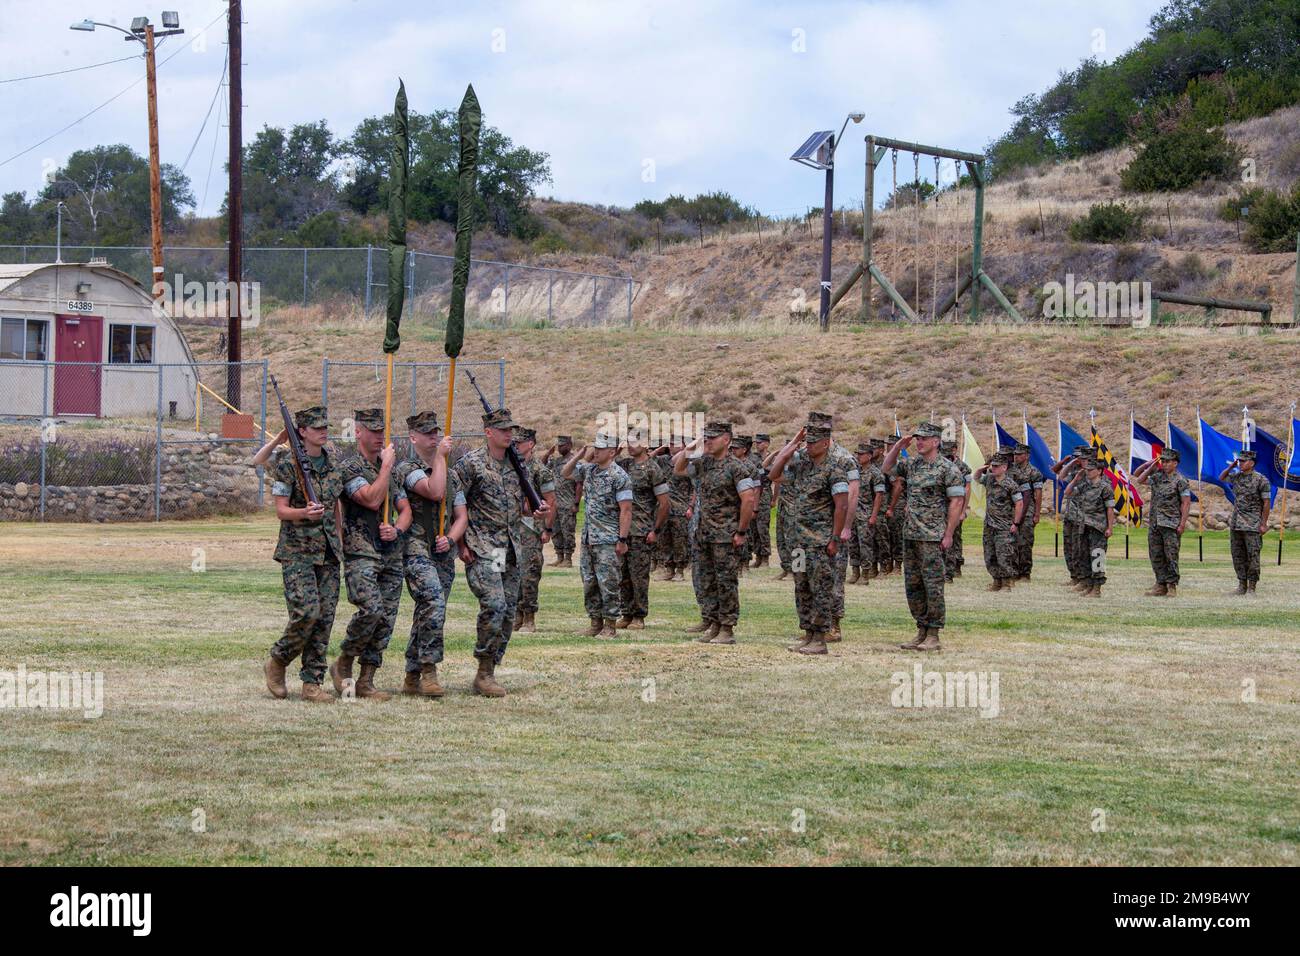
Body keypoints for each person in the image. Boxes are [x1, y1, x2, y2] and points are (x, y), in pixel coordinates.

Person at [446, 407, 550, 697]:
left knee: (507, 613)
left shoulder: (518, 466)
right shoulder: (471, 465)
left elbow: (523, 506)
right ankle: (484, 669)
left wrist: (537, 508)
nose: (509, 434)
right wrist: (460, 543)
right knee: (495, 605)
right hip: (483, 547)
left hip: (511, 549)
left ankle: (489, 669)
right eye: (503, 429)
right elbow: (453, 504)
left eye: (511, 429)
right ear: (488, 432)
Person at [257, 406, 344, 703]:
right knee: (307, 612)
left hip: (329, 551)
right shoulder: (288, 465)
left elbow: (336, 508)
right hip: (298, 551)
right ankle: (278, 660)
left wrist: (340, 541)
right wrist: (304, 513)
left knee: (325, 619)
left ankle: (312, 683)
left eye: (325, 426)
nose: (323, 431)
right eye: (316, 427)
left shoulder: (333, 465)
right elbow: (281, 510)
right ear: (302, 432)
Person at [333, 408, 409, 701]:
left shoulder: (387, 466)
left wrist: (398, 530)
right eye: (373, 431)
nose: (379, 438)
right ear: (359, 432)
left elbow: (405, 510)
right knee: (371, 609)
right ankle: (344, 659)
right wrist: (386, 468)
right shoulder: (351, 468)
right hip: (361, 551)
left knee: (386, 619)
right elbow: (370, 498)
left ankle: (366, 680)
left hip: (390, 553)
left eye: (382, 432)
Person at [879, 422, 965, 652]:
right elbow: (886, 469)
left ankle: (934, 634)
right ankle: (921, 630)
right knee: (913, 585)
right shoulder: (912, 464)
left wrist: (948, 534)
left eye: (924, 439)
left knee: (933, 585)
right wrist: (897, 446)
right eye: (917, 439)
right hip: (911, 534)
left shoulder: (948, 469)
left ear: (936, 441)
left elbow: (957, 502)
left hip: (933, 536)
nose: (919, 442)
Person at [769, 421, 850, 655]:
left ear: (825, 443)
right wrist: (793, 444)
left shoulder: (835, 469)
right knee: (801, 587)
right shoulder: (801, 467)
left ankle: (820, 638)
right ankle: (808, 633)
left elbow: (841, 505)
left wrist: (835, 538)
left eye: (813, 442)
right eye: (807, 441)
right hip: (798, 542)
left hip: (820, 542)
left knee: (821, 589)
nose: (809, 446)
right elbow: (774, 474)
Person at [673, 421, 758, 644]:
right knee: (707, 581)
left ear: (727, 440)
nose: (708, 440)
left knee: (725, 582)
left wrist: (741, 531)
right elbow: (678, 469)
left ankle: (727, 628)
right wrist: (689, 449)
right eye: (706, 437)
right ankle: (714, 624)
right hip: (704, 533)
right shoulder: (704, 463)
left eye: (713, 437)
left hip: (725, 536)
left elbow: (748, 499)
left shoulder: (737, 467)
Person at [393, 410, 454, 697]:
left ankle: (411, 673)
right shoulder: (406, 468)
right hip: (415, 548)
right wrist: (440, 458)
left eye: (436, 432)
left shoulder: (448, 469)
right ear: (413, 437)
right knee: (433, 601)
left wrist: (452, 538)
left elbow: (460, 510)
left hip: (441, 551)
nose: (434, 436)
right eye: (427, 432)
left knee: (430, 611)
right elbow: (434, 491)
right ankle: (429, 668)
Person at [563, 434, 633, 638]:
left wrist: (622, 539)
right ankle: (595, 623)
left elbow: (626, 510)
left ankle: (610, 626)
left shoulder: (619, 476)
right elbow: (565, 473)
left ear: (612, 452)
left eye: (601, 449)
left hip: (608, 539)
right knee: (589, 581)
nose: (596, 452)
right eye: (595, 448)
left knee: (609, 583)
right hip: (589, 538)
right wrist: (579, 455)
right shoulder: (589, 470)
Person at [616, 433, 670, 629]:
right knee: (623, 575)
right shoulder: (625, 466)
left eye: (635, 442)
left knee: (639, 576)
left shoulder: (653, 469)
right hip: (622, 529)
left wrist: (655, 529)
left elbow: (664, 504)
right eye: (628, 442)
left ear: (646, 444)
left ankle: (639, 615)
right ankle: (627, 613)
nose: (630, 446)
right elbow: (602, 462)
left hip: (641, 530)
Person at [512, 426, 556, 633]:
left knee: (529, 574)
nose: (515, 446)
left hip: (531, 529)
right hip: (512, 527)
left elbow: (551, 502)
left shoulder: (540, 470)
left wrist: (547, 528)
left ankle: (529, 617)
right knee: (511, 572)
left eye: (518, 443)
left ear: (530, 444)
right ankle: (516, 616)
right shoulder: (510, 467)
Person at [1134, 448, 1191, 597]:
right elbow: (1138, 478)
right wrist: (1150, 465)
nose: (1164, 464)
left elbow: (1185, 503)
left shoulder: (1180, 480)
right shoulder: (1158, 476)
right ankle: (1160, 584)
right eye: (1163, 461)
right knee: (1156, 554)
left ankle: (1171, 585)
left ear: (1175, 463)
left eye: (1167, 461)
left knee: (1171, 555)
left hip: (1171, 523)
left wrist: (1182, 523)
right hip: (1155, 523)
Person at [1220, 449, 1272, 595]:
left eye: (1243, 461)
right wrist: (1231, 466)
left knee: (1253, 555)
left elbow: (1266, 503)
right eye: (1240, 461)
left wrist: (1264, 523)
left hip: (1252, 523)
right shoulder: (1237, 477)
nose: (1241, 464)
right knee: (1238, 555)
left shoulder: (1261, 480)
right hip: (1237, 523)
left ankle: (1252, 587)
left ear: (1252, 463)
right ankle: (1241, 585)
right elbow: (1222, 477)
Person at [1062, 458, 1115, 597]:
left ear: (1099, 471)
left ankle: (1097, 588)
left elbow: (1110, 509)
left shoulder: (1105, 487)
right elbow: (1067, 493)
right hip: (1083, 526)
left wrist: (1110, 527)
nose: (1088, 472)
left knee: (1097, 556)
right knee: (1084, 556)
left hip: (1098, 527)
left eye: (1091, 470)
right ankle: (1088, 585)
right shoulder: (1084, 485)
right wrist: (1076, 479)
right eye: (1087, 470)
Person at [973, 453, 1024, 590]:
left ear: (1004, 467)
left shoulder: (1010, 484)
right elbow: (976, 477)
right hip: (989, 524)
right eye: (992, 466)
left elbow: (1019, 503)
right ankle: (996, 581)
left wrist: (1016, 523)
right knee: (990, 554)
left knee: (1004, 554)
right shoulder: (989, 479)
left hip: (1004, 526)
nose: (993, 469)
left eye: (996, 466)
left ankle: (1007, 583)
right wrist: (982, 467)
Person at [1052, 444, 1093, 590]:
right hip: (1070, 514)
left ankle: (1083, 578)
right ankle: (1074, 576)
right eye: (1077, 457)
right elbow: (1060, 475)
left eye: (1080, 457)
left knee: (1079, 549)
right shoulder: (1075, 471)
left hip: (1082, 517)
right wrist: (1068, 462)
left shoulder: (1092, 474)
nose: (1078, 460)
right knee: (1068, 548)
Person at [655, 434, 692, 581]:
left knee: (679, 541)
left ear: (683, 446)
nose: (671, 446)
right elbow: (647, 459)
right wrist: (659, 448)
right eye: (669, 444)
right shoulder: (663, 461)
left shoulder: (688, 463)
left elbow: (695, 487)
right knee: (664, 539)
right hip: (664, 508)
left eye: (674, 443)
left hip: (681, 508)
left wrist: (691, 506)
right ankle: (668, 569)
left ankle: (680, 571)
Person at [850, 442, 887, 585]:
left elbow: (879, 496)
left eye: (861, 454)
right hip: (853, 514)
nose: (858, 456)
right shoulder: (855, 472)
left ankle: (865, 574)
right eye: (857, 454)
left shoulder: (876, 473)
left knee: (865, 544)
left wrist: (873, 516)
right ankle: (855, 572)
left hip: (865, 514)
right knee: (853, 544)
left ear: (870, 456)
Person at [541, 435, 581, 567]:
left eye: (562, 445)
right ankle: (559, 557)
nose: (559, 448)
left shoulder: (575, 461)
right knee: (556, 530)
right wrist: (548, 453)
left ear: (570, 445)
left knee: (567, 531)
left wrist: (576, 503)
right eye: (558, 445)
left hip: (568, 502)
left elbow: (579, 484)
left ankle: (568, 559)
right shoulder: (556, 461)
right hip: (556, 503)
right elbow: (541, 464)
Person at [1007, 443, 1044, 582]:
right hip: (1012, 511)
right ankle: (1014, 571)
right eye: (1015, 454)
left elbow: (1038, 494)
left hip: (1027, 512)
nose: (1016, 456)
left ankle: (1025, 573)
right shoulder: (1011, 470)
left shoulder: (1034, 472)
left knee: (1025, 543)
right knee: (1013, 542)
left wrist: (1037, 514)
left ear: (1027, 456)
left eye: (1019, 454)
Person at [941, 439, 972, 581]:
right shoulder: (939, 464)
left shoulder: (963, 467)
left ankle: (953, 568)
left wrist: (963, 510)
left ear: (954, 450)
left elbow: (967, 489)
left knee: (954, 538)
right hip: (941, 508)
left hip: (955, 507)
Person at [748, 433, 774, 568]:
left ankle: (765, 557)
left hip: (764, 494)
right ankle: (757, 555)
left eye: (760, 443)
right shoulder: (753, 458)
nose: (757, 445)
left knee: (762, 527)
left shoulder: (773, 458)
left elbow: (771, 474)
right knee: (754, 528)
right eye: (756, 443)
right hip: (753, 493)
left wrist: (774, 499)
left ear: (767, 443)